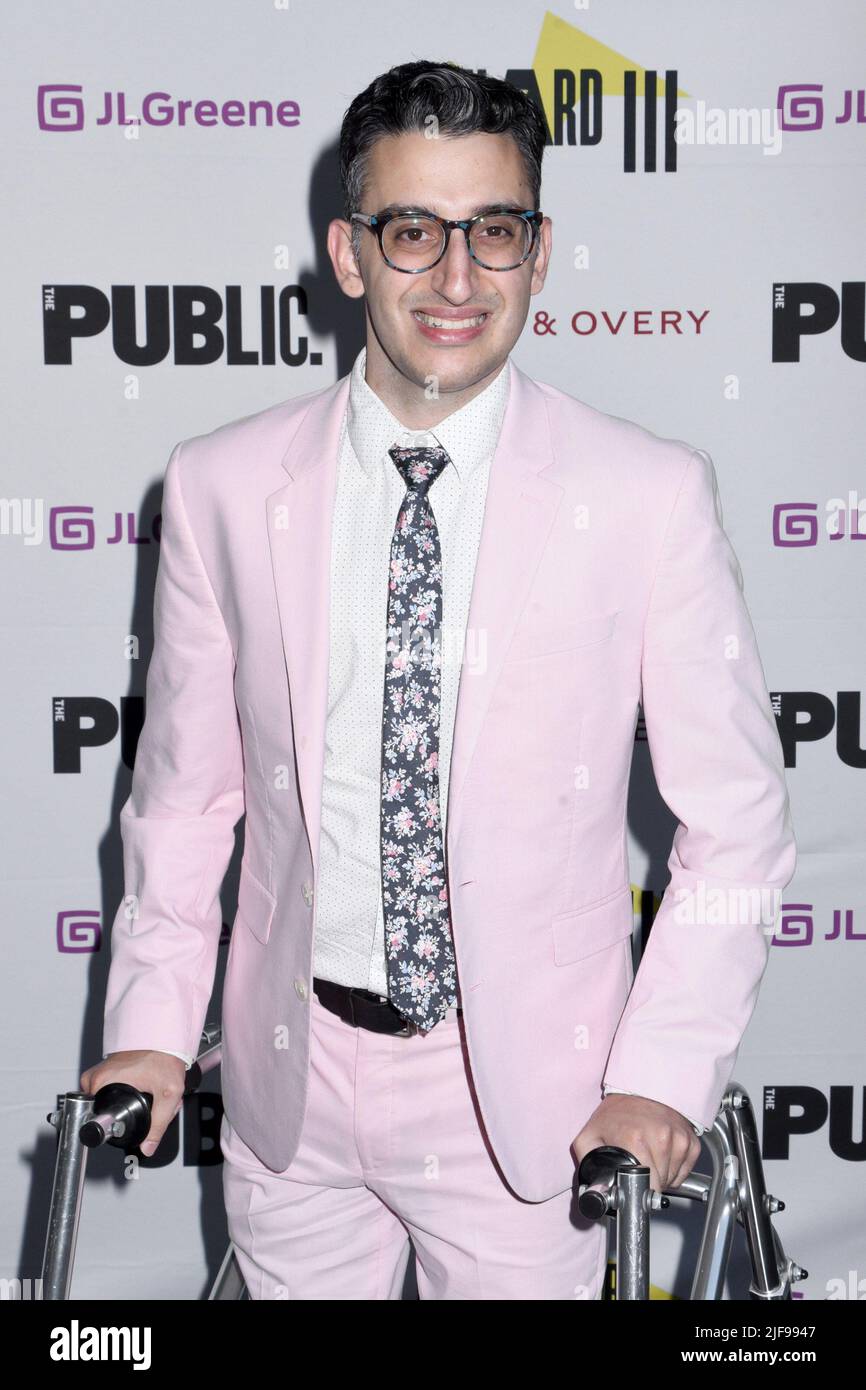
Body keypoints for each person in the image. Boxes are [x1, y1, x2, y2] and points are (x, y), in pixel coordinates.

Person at [82, 59, 797, 1300]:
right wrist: (149, 1024)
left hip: (533, 1107)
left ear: (539, 249)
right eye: (414, 231)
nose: (457, 278)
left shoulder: (644, 496)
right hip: (287, 1088)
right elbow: (185, 800)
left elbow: (735, 827)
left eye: (494, 231)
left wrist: (659, 1074)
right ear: (349, 254)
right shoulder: (220, 487)